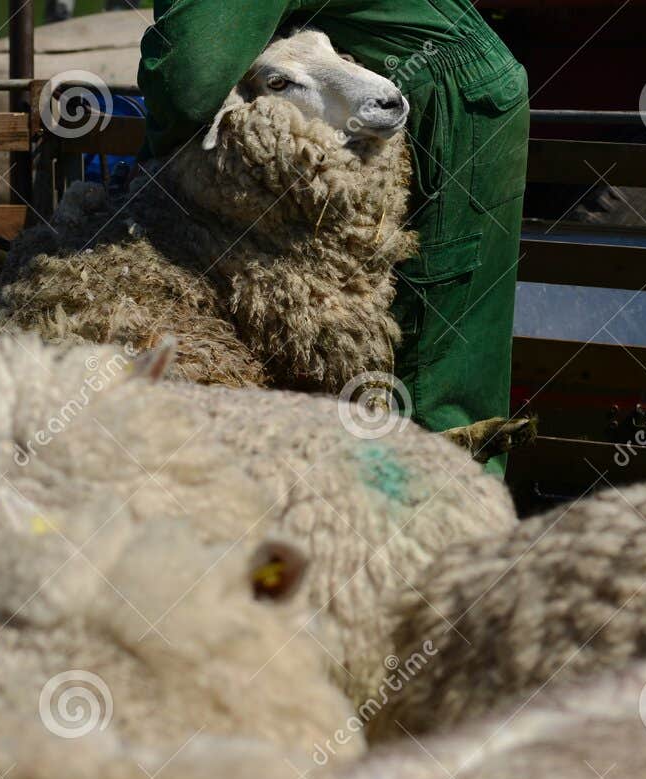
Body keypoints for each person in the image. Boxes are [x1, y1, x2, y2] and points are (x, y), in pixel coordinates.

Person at [138, 0, 528, 458]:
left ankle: (430, 490)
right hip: (414, 87)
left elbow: (190, 78)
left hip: (439, 99)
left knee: (431, 358)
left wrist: (153, 173)